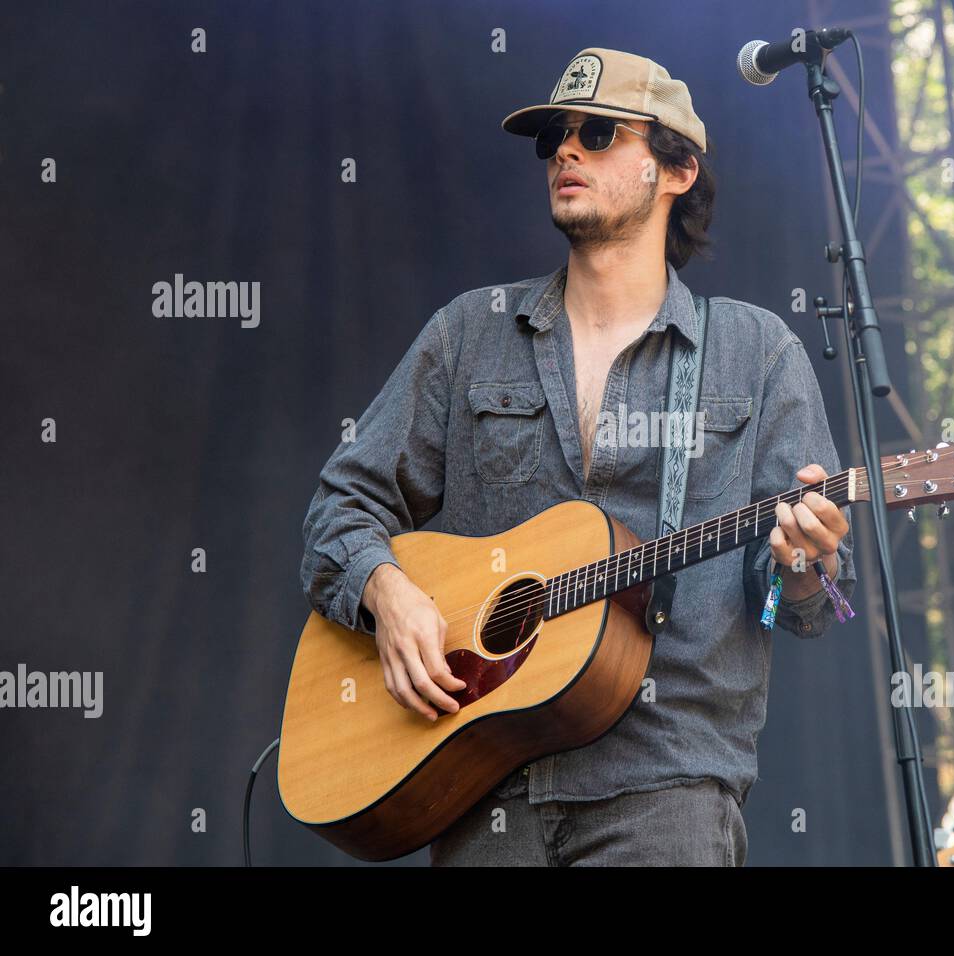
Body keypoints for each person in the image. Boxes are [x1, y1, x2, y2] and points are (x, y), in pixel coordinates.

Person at [300, 47, 856, 866]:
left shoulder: (757, 352)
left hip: (665, 786)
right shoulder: (469, 334)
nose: (567, 149)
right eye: (555, 136)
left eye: (599, 134)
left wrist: (803, 570)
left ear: (675, 170)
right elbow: (338, 510)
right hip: (482, 781)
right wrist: (387, 594)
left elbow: (795, 610)